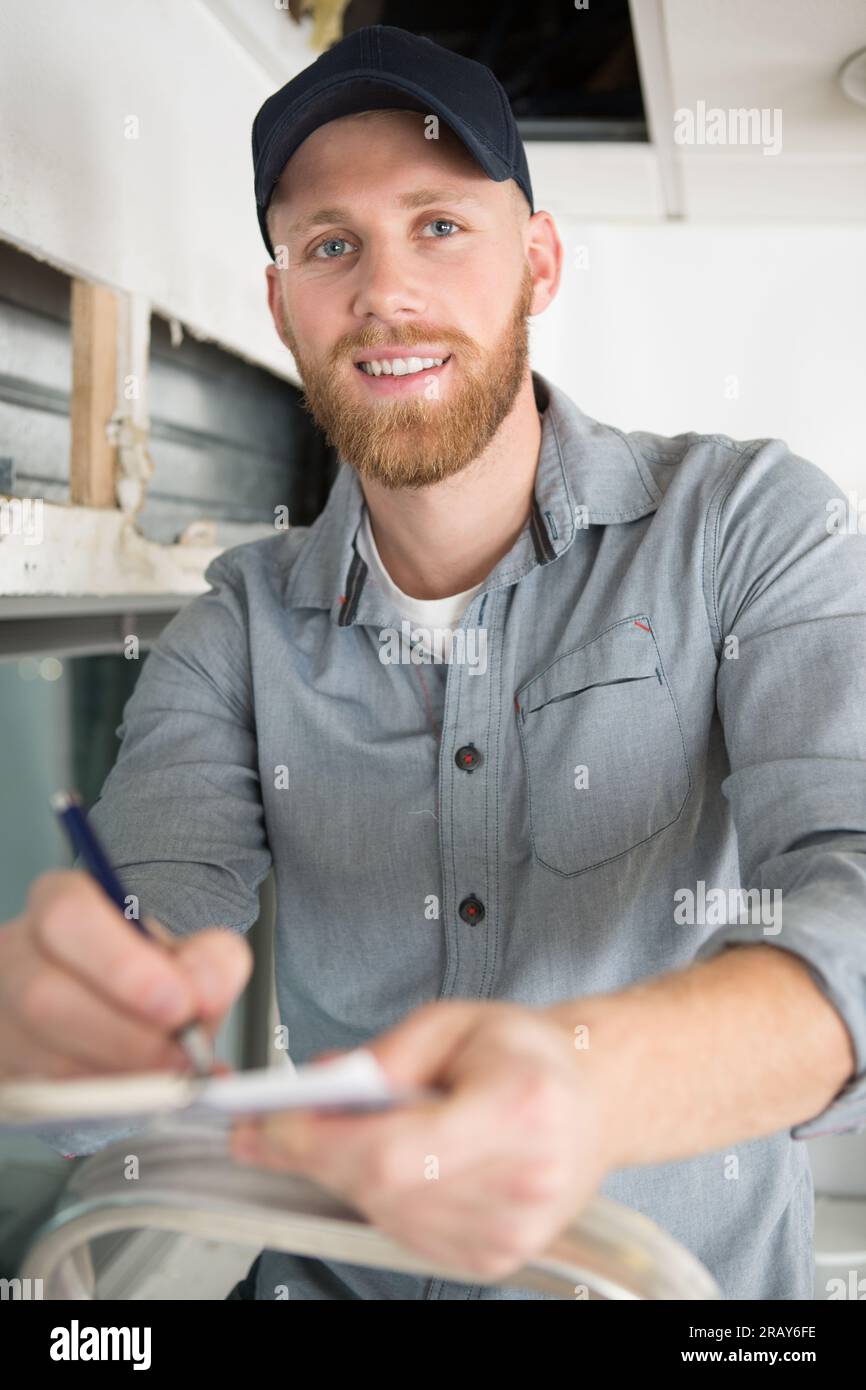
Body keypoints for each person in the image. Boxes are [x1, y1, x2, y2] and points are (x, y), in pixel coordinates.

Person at [2, 25, 865, 1302]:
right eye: (330, 244)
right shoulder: (235, 630)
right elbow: (148, 913)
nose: (384, 293)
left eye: (441, 227)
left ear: (539, 259)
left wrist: (582, 1080)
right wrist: (71, 1026)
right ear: (282, 300)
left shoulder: (745, 528)